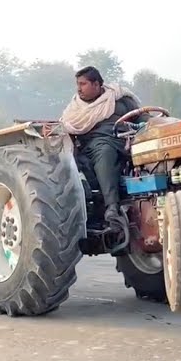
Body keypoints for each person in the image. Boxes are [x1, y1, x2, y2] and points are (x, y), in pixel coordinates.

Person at [59, 66, 149, 255]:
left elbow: (142, 116)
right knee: (104, 151)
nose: (79, 88)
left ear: (97, 84)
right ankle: (112, 209)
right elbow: (64, 128)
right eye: (78, 84)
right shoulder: (75, 109)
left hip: (126, 138)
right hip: (94, 145)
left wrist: (151, 123)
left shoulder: (119, 99)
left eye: (83, 84)